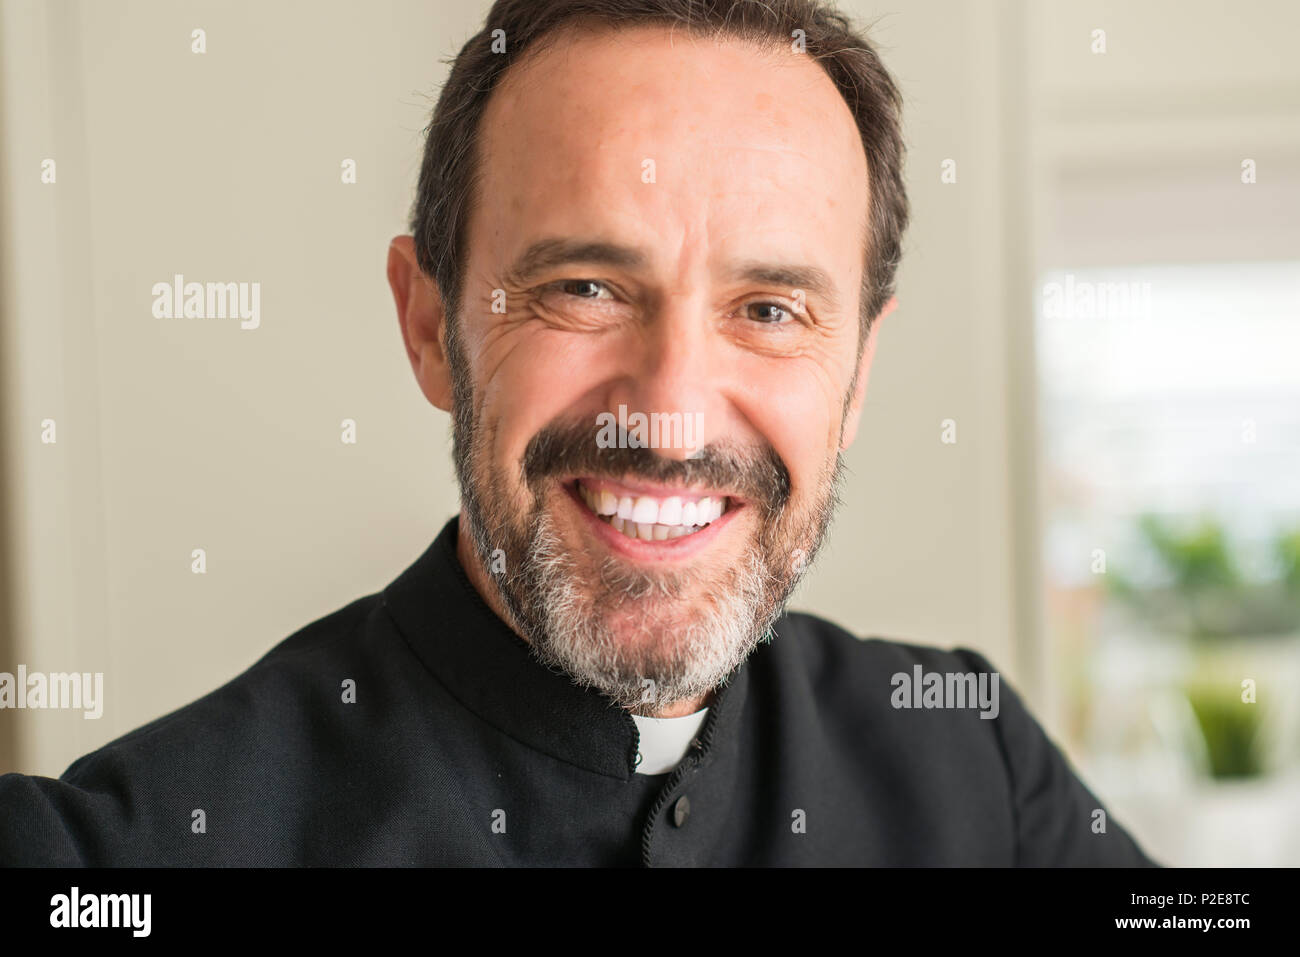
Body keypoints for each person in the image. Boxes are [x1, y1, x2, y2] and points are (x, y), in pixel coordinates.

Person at [0, 0, 1154, 866]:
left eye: (768, 311)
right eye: (588, 288)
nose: (671, 409)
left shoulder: (978, 771)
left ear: (855, 379)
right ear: (427, 326)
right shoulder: (117, 855)